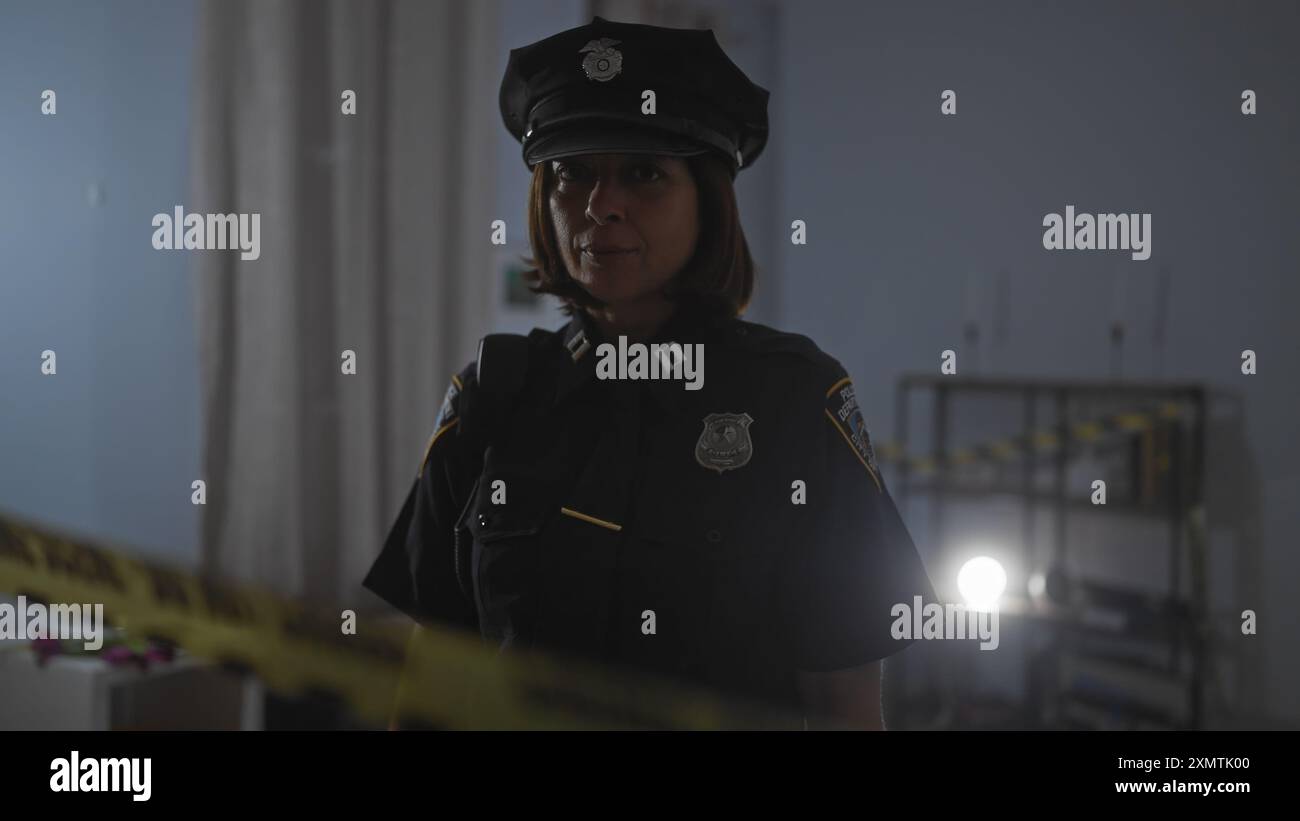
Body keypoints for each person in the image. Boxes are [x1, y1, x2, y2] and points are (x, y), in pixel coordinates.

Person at [363, 15, 936, 730]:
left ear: (709, 201)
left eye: (644, 173)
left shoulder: (791, 399)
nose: (601, 203)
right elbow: (432, 675)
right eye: (572, 172)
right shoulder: (496, 393)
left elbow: (845, 704)